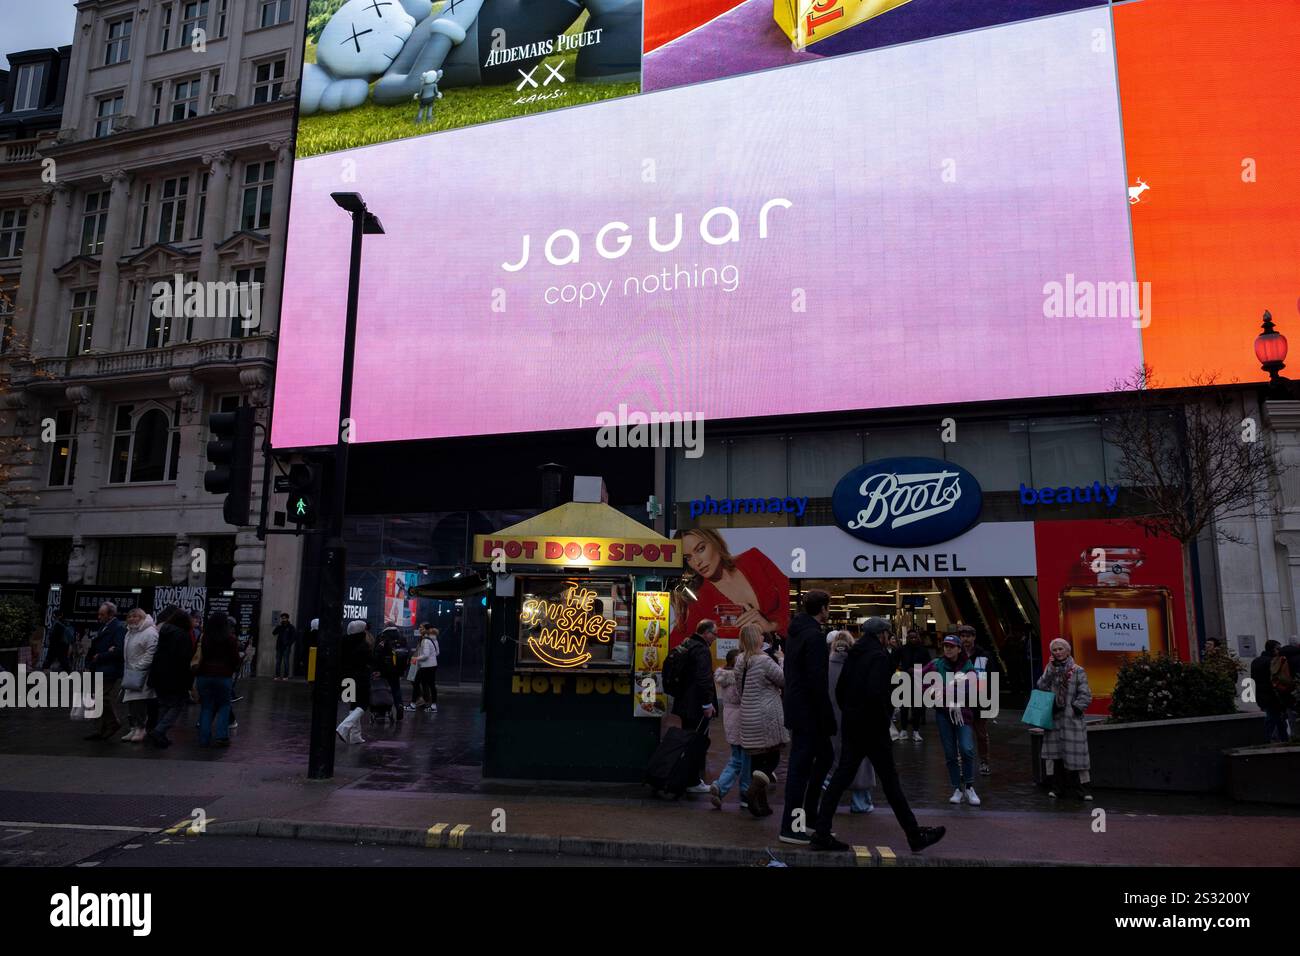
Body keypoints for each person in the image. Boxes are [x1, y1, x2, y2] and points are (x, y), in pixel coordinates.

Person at [811, 617, 945, 853]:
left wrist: (851, 713)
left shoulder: (855, 654)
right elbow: (877, 694)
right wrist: (884, 718)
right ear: (881, 634)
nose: (889, 637)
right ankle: (914, 835)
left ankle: (821, 831)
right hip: (873, 729)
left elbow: (841, 690)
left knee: (841, 778)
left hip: (853, 725)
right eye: (888, 634)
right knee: (891, 783)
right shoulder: (881, 657)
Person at [780, 589, 836, 845]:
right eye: (828, 607)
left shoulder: (796, 633)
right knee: (801, 769)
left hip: (798, 708)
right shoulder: (813, 637)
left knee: (824, 758)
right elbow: (817, 682)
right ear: (822, 608)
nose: (829, 611)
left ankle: (810, 819)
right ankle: (792, 826)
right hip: (810, 713)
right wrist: (827, 716)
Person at [670, 527, 790, 647]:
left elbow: (791, 607)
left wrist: (772, 626)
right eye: (688, 558)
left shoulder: (754, 559)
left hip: (789, 656)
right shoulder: (698, 601)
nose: (697, 562)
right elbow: (675, 646)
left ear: (715, 542)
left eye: (701, 549)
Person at [924, 635, 981, 806]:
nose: (947, 649)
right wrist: (933, 692)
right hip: (943, 713)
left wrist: (945, 689)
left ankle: (969, 787)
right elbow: (921, 679)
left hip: (963, 713)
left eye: (951, 646)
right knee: (949, 752)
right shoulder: (936, 664)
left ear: (958, 649)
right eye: (945, 646)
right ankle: (957, 787)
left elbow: (972, 687)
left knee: (967, 748)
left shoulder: (967, 666)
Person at [736, 623, 785, 818]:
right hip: (766, 716)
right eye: (761, 636)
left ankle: (761, 806)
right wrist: (782, 661)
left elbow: (740, 690)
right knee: (773, 758)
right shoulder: (764, 661)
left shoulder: (740, 660)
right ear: (757, 639)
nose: (764, 638)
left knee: (757, 760)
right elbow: (783, 680)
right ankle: (751, 793)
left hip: (748, 714)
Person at [1037, 637, 1094, 800]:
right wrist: (1049, 669)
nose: (1058, 652)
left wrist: (1076, 708)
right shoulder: (1051, 669)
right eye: (1054, 650)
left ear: (1068, 651)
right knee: (1055, 756)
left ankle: (1083, 790)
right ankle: (1057, 788)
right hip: (1054, 718)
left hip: (1071, 719)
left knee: (1077, 756)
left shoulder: (1077, 670)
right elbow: (1041, 685)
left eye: (1060, 649)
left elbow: (1085, 693)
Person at [826, 630, 874, 813]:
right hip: (857, 721)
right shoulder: (860, 666)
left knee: (833, 761)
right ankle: (861, 803)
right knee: (859, 762)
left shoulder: (825, 667)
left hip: (831, 722)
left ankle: (829, 799)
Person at [670, 619, 718, 793]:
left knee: (688, 739)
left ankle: (687, 777)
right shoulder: (702, 650)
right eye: (714, 633)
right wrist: (707, 704)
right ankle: (693, 781)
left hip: (683, 703)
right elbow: (704, 679)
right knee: (697, 742)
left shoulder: (686, 644)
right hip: (697, 705)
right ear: (706, 633)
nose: (715, 637)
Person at [146, 607, 195, 748]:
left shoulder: (164, 632)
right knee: (177, 705)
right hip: (175, 676)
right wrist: (188, 681)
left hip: (159, 675)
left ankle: (160, 734)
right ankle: (159, 731)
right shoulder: (183, 635)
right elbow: (184, 660)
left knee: (164, 704)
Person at [709, 649, 750, 811]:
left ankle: (723, 788)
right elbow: (744, 697)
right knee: (744, 759)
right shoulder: (738, 678)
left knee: (737, 756)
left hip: (730, 719)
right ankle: (734, 790)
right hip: (743, 719)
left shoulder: (724, 676)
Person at [194, 613, 241, 747]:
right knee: (224, 705)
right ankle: (222, 736)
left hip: (204, 675)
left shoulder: (204, 637)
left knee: (207, 706)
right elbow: (235, 659)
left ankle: (204, 738)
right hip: (223, 676)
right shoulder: (230, 639)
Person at [958, 624, 999, 774]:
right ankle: (963, 762)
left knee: (981, 734)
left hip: (980, 700)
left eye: (968, 636)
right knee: (962, 734)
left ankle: (984, 762)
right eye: (962, 636)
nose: (965, 639)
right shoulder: (956, 655)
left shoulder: (984, 656)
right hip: (961, 700)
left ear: (974, 637)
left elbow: (993, 677)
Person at [85, 603, 126, 742]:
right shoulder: (105, 626)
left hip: (109, 669)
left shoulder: (118, 628)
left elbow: (119, 650)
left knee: (100, 698)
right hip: (101, 667)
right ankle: (100, 729)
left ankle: (112, 724)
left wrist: (101, 656)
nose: (99, 617)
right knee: (98, 698)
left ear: (111, 614)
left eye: (102, 614)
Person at [119, 609, 159, 743]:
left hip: (141, 674)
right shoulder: (130, 632)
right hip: (131, 673)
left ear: (142, 617)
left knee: (139, 703)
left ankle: (141, 728)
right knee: (131, 703)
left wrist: (138, 667)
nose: (132, 619)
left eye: (135, 616)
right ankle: (134, 727)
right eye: (129, 616)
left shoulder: (150, 632)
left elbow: (150, 653)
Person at [335, 620, 373, 744]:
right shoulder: (363, 645)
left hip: (346, 678)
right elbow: (368, 661)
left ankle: (355, 736)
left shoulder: (342, 642)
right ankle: (344, 727)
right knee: (363, 704)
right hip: (360, 678)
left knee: (353, 704)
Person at [1251, 640, 1288, 742]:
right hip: (1272, 694)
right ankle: (1274, 738)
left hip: (1260, 694)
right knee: (1274, 718)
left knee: (1273, 717)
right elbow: (1276, 678)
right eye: (1278, 648)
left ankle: (1280, 738)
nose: (1279, 651)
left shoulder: (1256, 661)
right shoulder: (1272, 662)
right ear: (1273, 649)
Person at [897, 630, 930, 742]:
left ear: (917, 637)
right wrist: (900, 673)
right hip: (905, 680)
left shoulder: (923, 650)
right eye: (911, 637)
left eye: (914, 637)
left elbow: (928, 665)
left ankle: (915, 731)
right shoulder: (902, 649)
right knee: (904, 708)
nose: (913, 639)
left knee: (917, 709)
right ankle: (904, 730)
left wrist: (918, 671)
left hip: (918, 681)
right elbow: (896, 664)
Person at [374, 625, 406, 721]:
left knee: (382, 690)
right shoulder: (401, 637)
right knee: (396, 689)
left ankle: (382, 711)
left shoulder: (382, 637)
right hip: (396, 670)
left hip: (384, 669)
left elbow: (377, 653)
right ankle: (399, 704)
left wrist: (376, 669)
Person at [407, 624, 441, 712]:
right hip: (432, 665)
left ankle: (413, 705)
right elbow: (436, 653)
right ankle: (433, 706)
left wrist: (416, 658)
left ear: (425, 630)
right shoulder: (431, 639)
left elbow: (425, 655)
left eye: (421, 628)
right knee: (431, 685)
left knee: (416, 682)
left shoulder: (425, 640)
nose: (419, 629)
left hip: (426, 666)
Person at [273, 613, 297, 681]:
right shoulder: (280, 626)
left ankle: (286, 676)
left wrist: (289, 644)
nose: (283, 619)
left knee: (286, 662)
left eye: (284, 618)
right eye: (282, 618)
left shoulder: (291, 627)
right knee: (278, 662)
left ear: (287, 618)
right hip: (279, 647)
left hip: (286, 647)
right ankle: (277, 676)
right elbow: (274, 633)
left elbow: (294, 637)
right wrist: (277, 627)